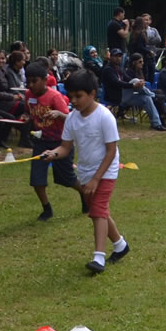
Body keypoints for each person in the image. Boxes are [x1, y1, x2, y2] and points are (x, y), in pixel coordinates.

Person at [34, 68, 128, 274]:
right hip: (86, 171)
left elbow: (111, 151)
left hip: (106, 170)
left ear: (93, 93)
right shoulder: (72, 119)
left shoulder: (105, 117)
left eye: (79, 96)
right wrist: (53, 153)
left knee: (97, 211)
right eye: (71, 97)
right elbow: (65, 147)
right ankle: (120, 245)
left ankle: (98, 257)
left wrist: (96, 179)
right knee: (99, 210)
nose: (74, 101)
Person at [24, 59, 84, 220]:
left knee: (66, 178)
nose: (31, 85)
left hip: (61, 142)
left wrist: (59, 114)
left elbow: (70, 118)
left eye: (34, 81)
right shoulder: (28, 95)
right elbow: (28, 112)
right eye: (28, 81)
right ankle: (47, 209)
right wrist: (25, 116)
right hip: (41, 141)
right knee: (37, 179)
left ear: (45, 80)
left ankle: (85, 194)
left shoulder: (54, 96)